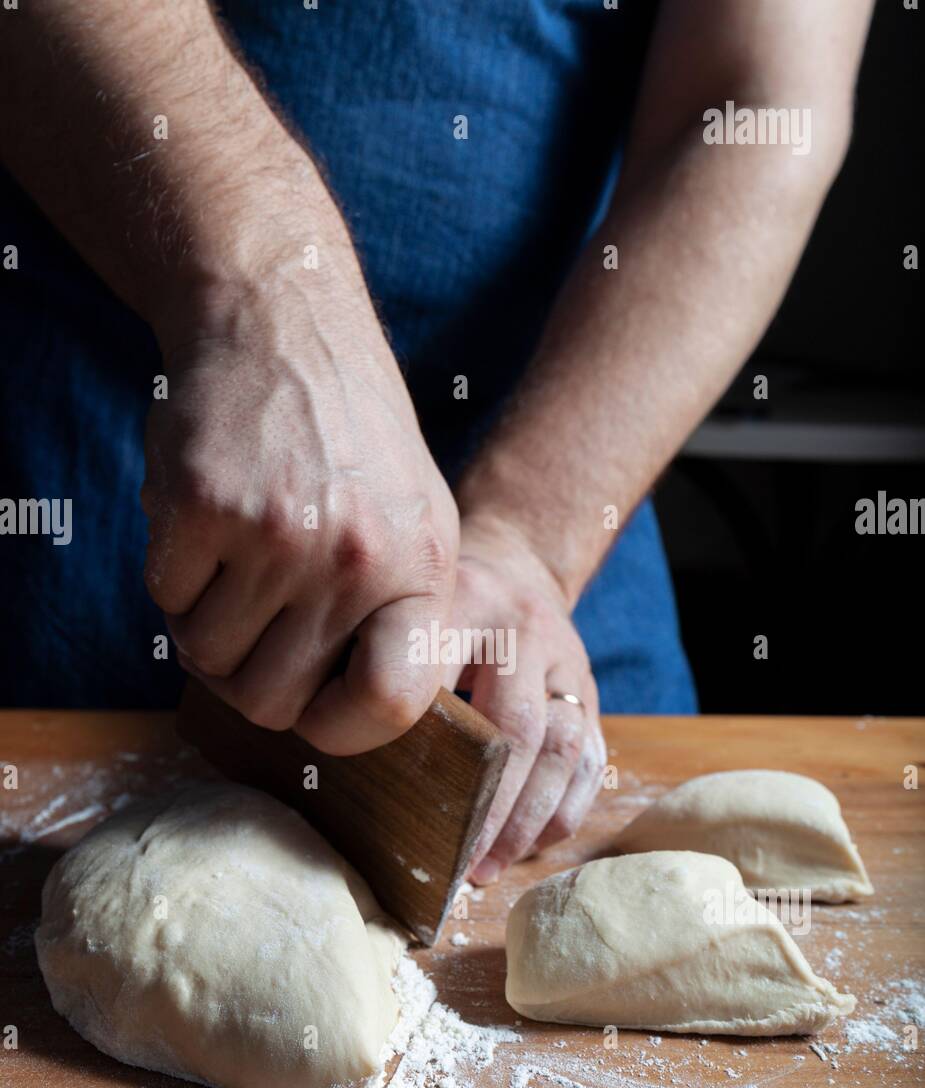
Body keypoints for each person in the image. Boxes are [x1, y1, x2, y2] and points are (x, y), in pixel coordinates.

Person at [0, 0, 872, 884]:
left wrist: (527, 539)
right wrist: (267, 288)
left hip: (552, 539)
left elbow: (753, 110)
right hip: (83, 493)